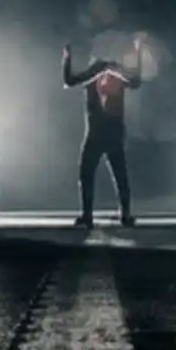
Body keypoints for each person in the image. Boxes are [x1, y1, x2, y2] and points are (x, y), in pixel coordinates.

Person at [63, 37, 143, 228]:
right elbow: (70, 80)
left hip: (109, 131)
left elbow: (135, 81)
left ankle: (124, 214)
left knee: (118, 174)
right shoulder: (98, 72)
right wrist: (67, 59)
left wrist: (137, 55)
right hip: (97, 132)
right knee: (88, 174)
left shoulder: (115, 72)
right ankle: (89, 215)